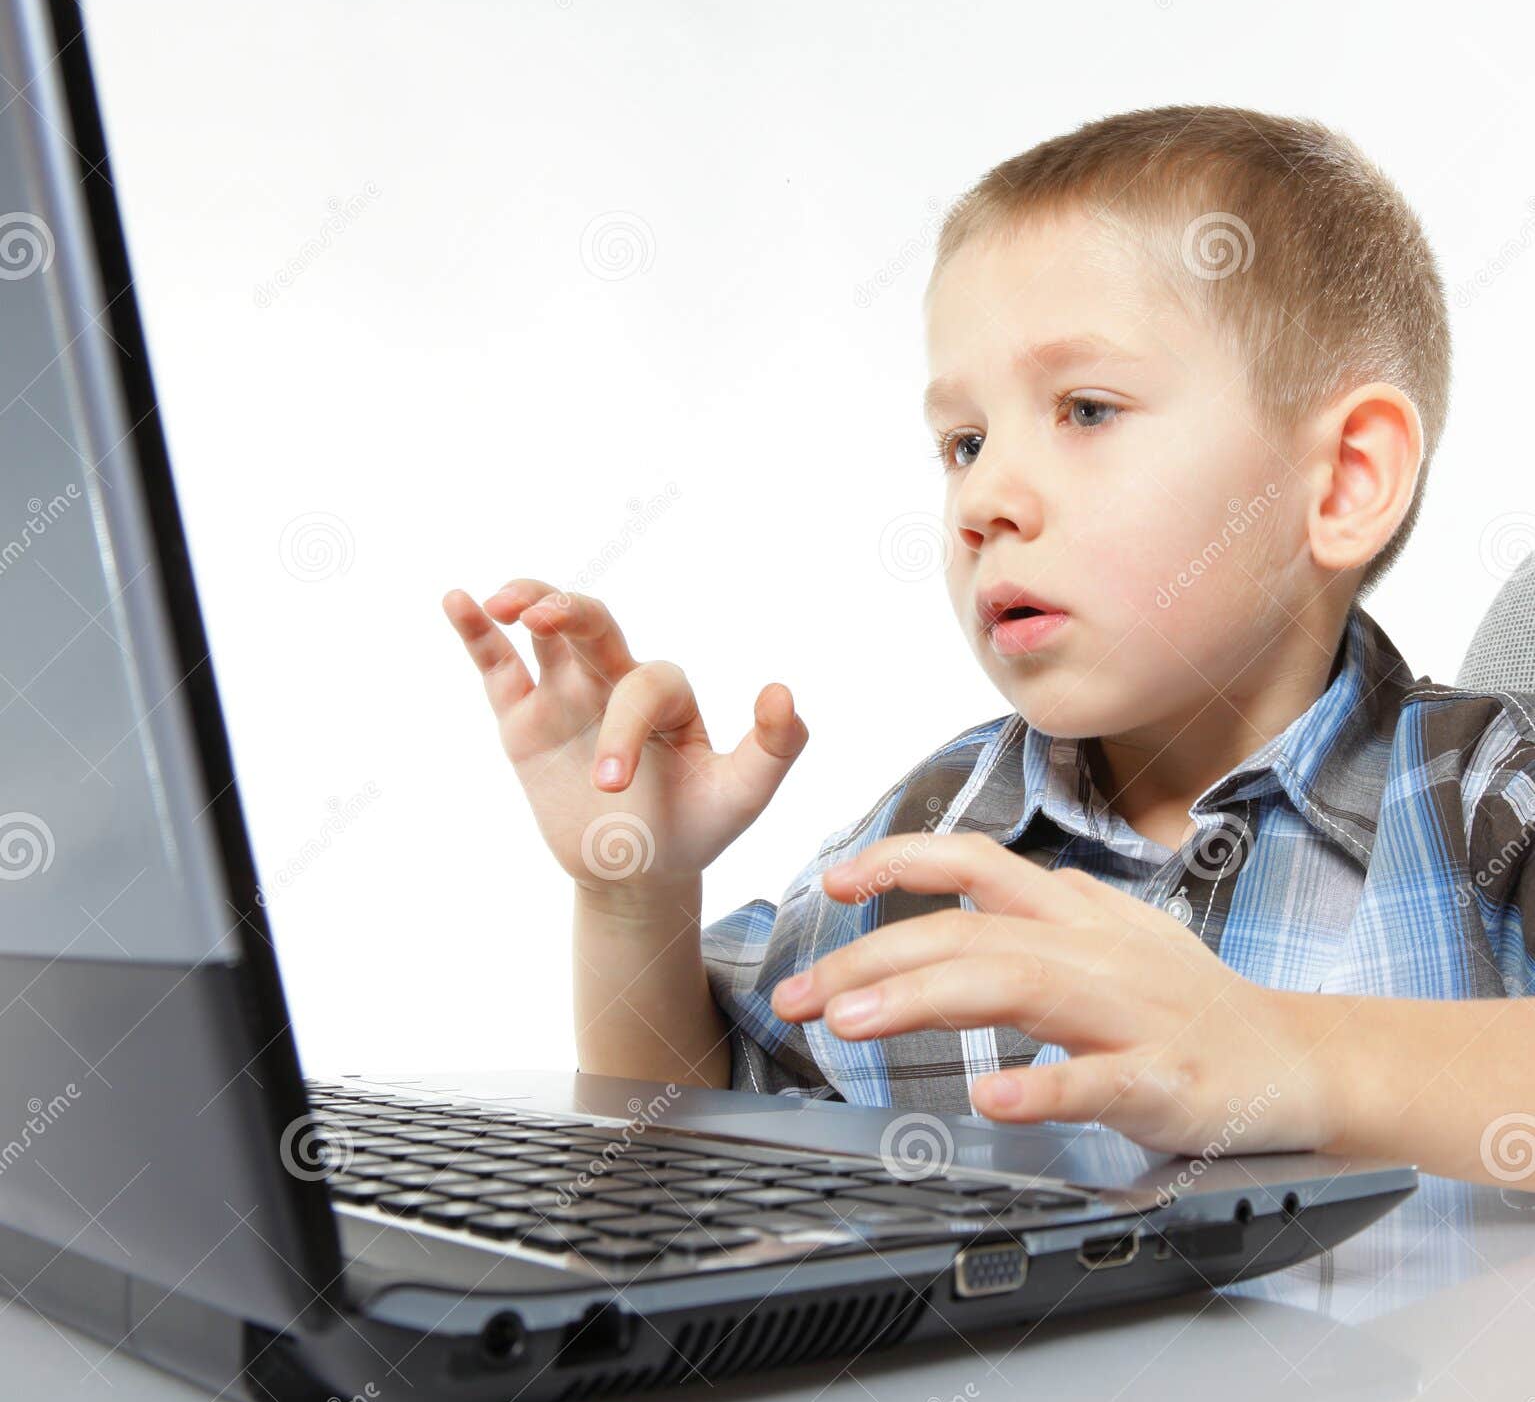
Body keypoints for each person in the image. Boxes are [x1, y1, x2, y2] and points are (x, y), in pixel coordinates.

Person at [443, 105, 1535, 1191]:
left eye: (1086, 409)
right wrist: (634, 896)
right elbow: (687, 1159)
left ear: (1341, 481)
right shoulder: (919, 849)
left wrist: (1287, 1055)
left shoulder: (1478, 794)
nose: (982, 497)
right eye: (962, 442)